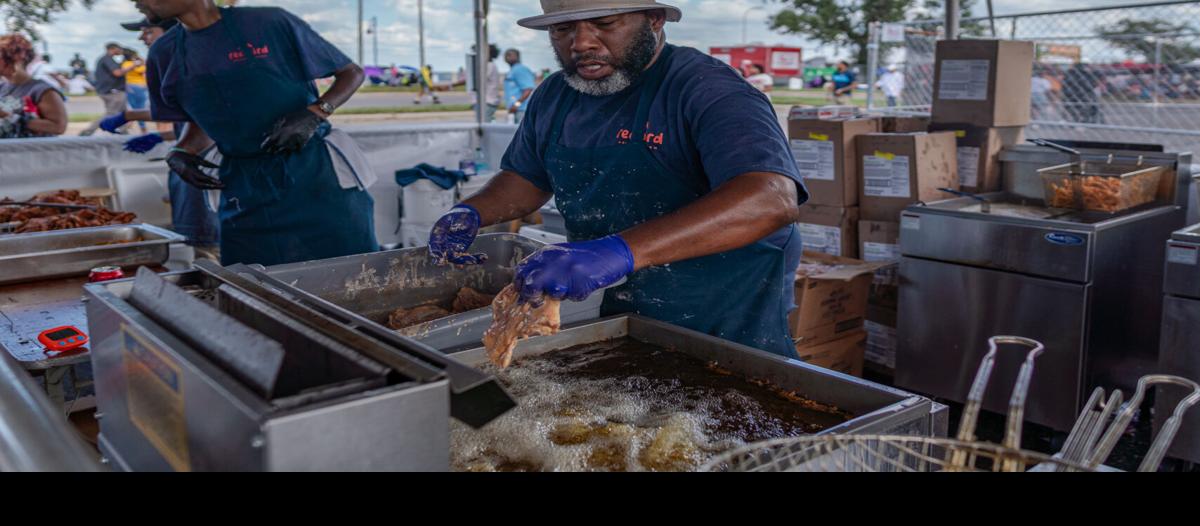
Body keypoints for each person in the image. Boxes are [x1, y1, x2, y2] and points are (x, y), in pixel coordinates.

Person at [427, 0, 807, 357]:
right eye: (562, 29)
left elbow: (770, 198)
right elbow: (525, 178)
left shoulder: (708, 89)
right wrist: (470, 212)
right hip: (611, 312)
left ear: (654, 20)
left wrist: (618, 251)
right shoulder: (554, 95)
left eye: (604, 24)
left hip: (720, 318)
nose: (581, 43)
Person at [135, 0, 380, 266]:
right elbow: (202, 119)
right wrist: (183, 151)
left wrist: (315, 113)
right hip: (243, 188)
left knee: (353, 273)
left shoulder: (268, 22)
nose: (136, 2)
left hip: (317, 176)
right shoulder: (164, 53)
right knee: (254, 285)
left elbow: (351, 73)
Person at [95, 14, 220, 257]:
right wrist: (159, 138)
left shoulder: (191, 61)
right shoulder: (173, 60)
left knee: (209, 243)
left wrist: (129, 116)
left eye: (148, 31)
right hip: (188, 165)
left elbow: (198, 115)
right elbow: (188, 124)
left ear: (170, 31)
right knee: (198, 244)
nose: (142, 37)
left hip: (203, 166)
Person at [0, 33, 68, 138]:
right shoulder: (2, 87)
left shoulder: (43, 91)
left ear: (16, 58)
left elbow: (58, 127)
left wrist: (8, 116)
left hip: (31, 153)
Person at [502, 48, 534, 120]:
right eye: (506, 55)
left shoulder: (520, 69)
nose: (507, 57)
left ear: (517, 56)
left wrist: (516, 105)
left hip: (522, 110)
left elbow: (528, 90)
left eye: (509, 55)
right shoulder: (513, 70)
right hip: (516, 110)